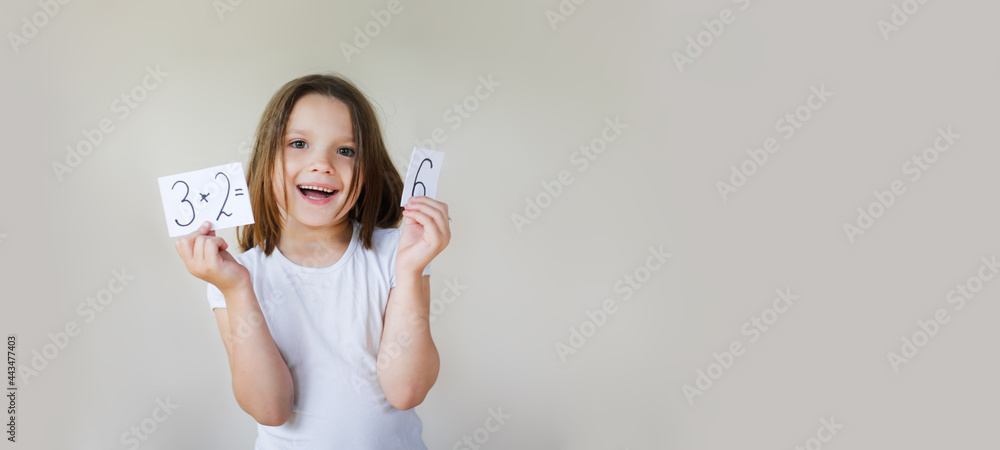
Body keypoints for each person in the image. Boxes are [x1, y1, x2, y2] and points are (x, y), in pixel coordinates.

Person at [173, 73, 451, 449]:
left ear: (367, 170)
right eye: (299, 143)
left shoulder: (398, 256)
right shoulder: (237, 275)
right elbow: (270, 408)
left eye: (346, 150)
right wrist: (237, 290)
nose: (322, 164)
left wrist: (410, 270)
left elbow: (408, 390)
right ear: (266, 159)